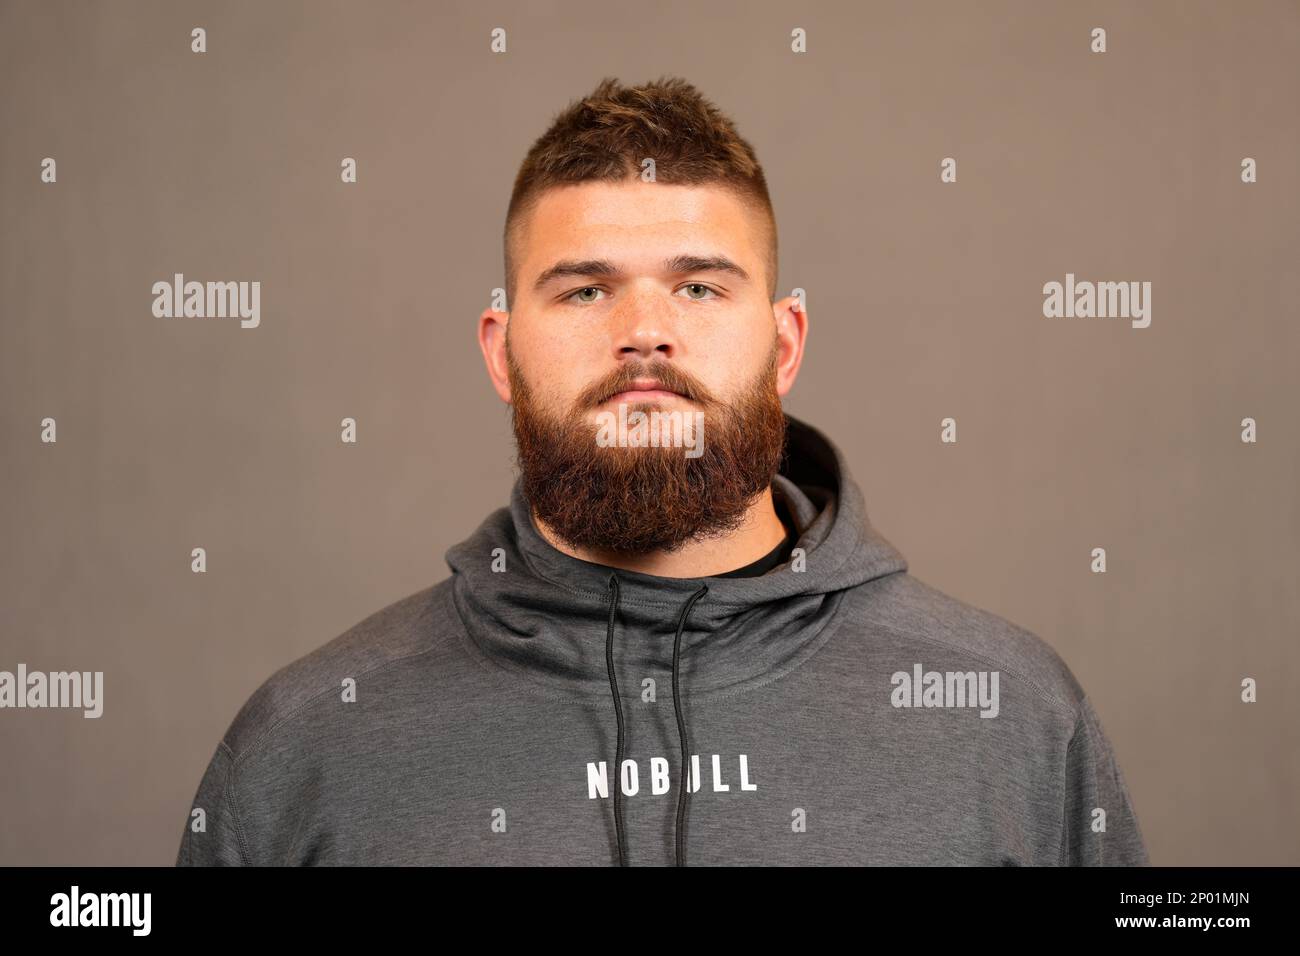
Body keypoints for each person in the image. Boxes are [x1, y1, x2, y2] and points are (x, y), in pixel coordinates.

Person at [176, 76, 1148, 866]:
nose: (644, 330)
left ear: (783, 343)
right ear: (501, 351)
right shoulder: (311, 739)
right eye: (585, 287)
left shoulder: (1007, 712)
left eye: (697, 285)